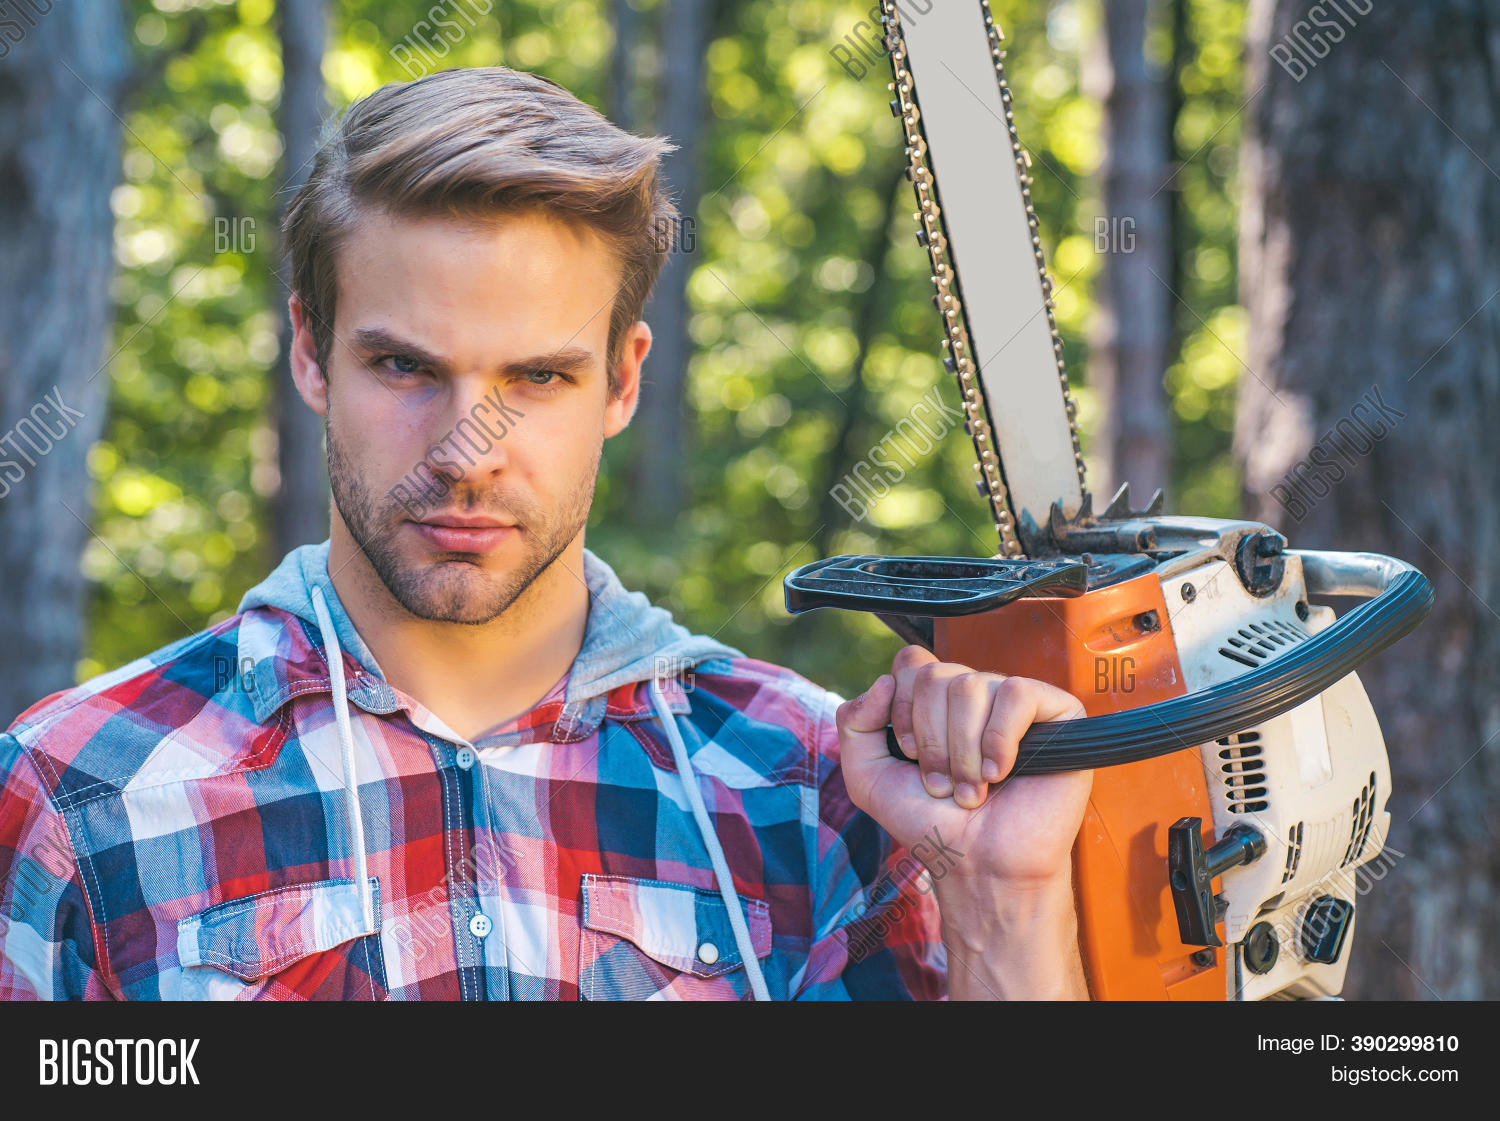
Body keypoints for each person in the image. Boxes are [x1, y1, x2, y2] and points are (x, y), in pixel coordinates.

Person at [0, 66, 1091, 1001]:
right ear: (308, 351)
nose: (468, 448)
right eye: (405, 366)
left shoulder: (810, 788)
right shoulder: (75, 792)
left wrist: (1004, 899)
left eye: (538, 375)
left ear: (621, 380)